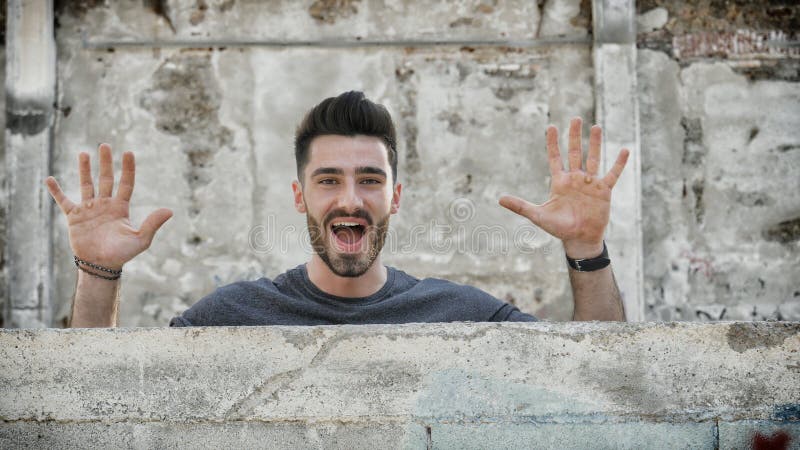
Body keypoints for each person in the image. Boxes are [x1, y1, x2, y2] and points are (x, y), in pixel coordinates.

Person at [45, 91, 629, 327]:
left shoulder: (462, 314)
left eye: (370, 180)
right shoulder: (231, 315)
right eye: (329, 180)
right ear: (300, 196)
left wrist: (586, 250)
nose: (350, 199)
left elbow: (598, 379)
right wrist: (98, 270)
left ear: (395, 197)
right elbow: (103, 396)